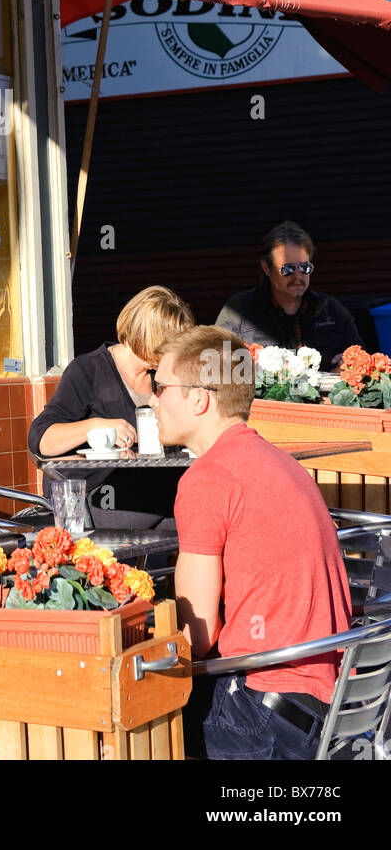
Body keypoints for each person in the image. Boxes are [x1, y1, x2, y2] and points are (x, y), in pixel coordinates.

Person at [151, 324, 351, 760]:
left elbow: (196, 634)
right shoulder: (281, 462)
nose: (152, 400)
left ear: (199, 398)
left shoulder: (208, 478)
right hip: (324, 710)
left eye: (161, 386)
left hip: (261, 714)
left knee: (136, 724)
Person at [28, 285, 194, 528]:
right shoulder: (89, 370)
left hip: (149, 489)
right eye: (169, 345)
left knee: (194, 502)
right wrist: (95, 427)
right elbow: (41, 439)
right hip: (92, 499)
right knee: (185, 502)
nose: (175, 353)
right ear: (147, 336)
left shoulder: (164, 376)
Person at [216, 220, 362, 370]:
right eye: (288, 269)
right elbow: (216, 366)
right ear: (267, 268)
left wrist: (347, 368)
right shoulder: (238, 311)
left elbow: (360, 360)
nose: (298, 276)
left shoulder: (332, 310)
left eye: (305, 267)